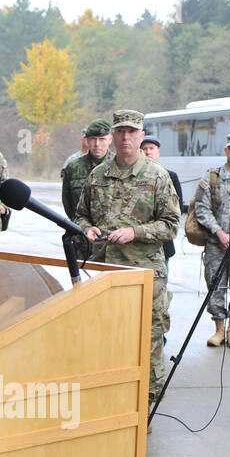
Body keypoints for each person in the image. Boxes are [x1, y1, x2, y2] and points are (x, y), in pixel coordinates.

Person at [75, 109, 179, 403]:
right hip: (104, 270)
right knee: (106, 338)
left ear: (141, 136)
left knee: (147, 339)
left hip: (144, 273)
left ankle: (146, 404)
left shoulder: (157, 176)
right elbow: (80, 214)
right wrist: (88, 228)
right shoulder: (98, 175)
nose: (125, 137)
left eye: (132, 132)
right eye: (120, 131)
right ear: (112, 136)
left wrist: (136, 232)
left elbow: (171, 224)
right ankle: (110, 398)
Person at [196, 132, 230, 348]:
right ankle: (218, 328)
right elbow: (202, 208)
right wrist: (218, 232)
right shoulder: (213, 176)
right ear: (226, 150)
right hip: (215, 242)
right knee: (215, 284)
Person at [140, 135, 184, 264]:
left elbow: (178, 207)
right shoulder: (134, 176)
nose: (148, 152)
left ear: (158, 152)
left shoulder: (170, 176)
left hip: (162, 241)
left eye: (151, 148)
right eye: (144, 148)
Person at [61, 119, 112, 221]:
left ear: (110, 139)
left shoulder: (120, 165)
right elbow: (67, 202)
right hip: (80, 231)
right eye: (93, 139)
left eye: (102, 139)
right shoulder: (73, 168)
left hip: (110, 233)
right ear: (87, 140)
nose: (97, 144)